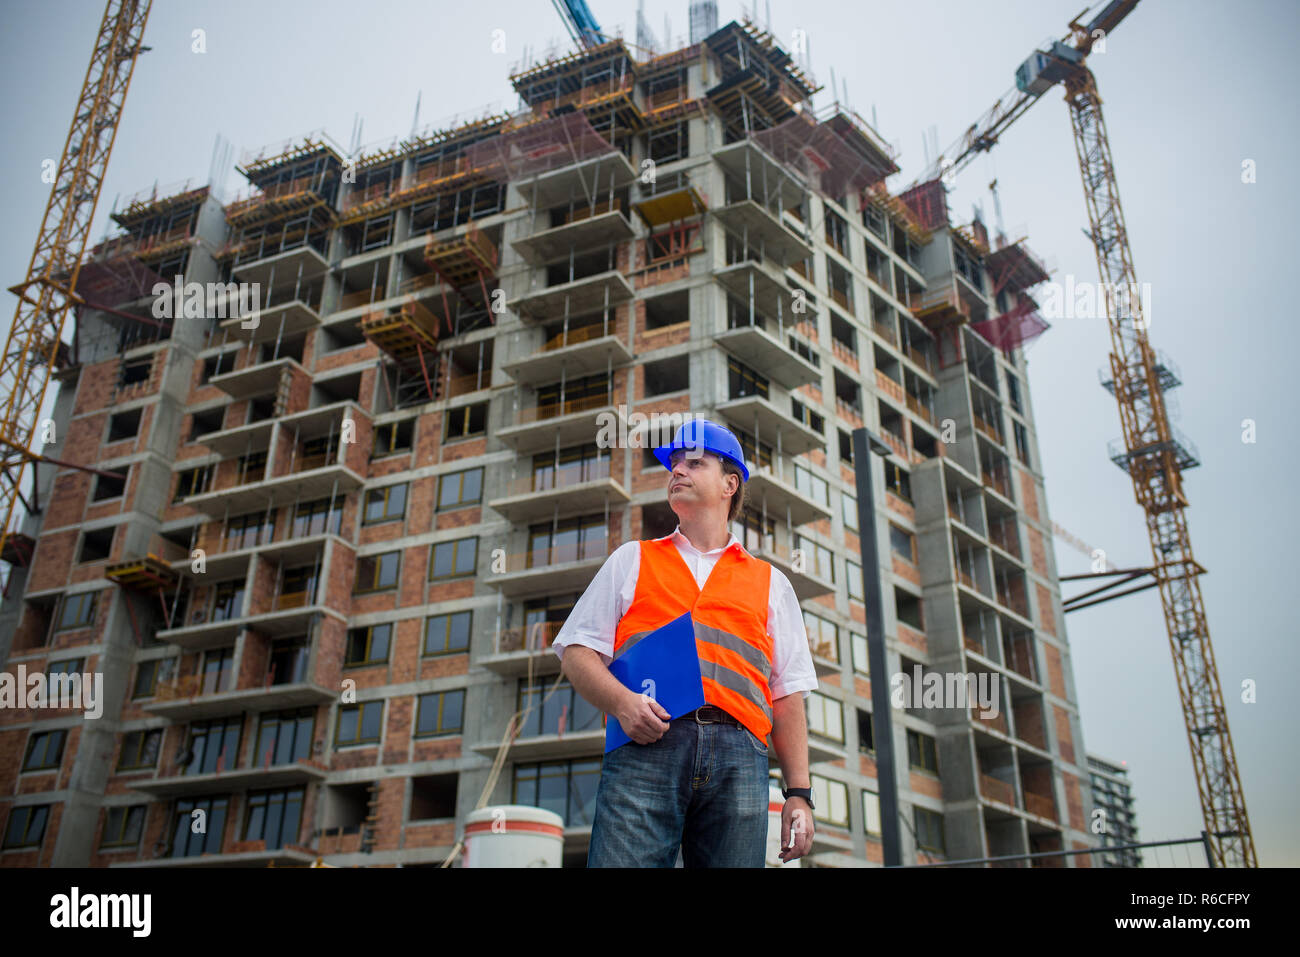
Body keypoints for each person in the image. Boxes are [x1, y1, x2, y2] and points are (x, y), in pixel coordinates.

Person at [552, 418, 818, 867]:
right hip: (646, 744)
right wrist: (621, 703)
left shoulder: (771, 583)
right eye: (674, 464)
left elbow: (787, 694)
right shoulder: (632, 560)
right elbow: (577, 652)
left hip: (741, 758)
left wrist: (800, 793)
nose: (677, 470)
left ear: (730, 483)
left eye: (694, 463)